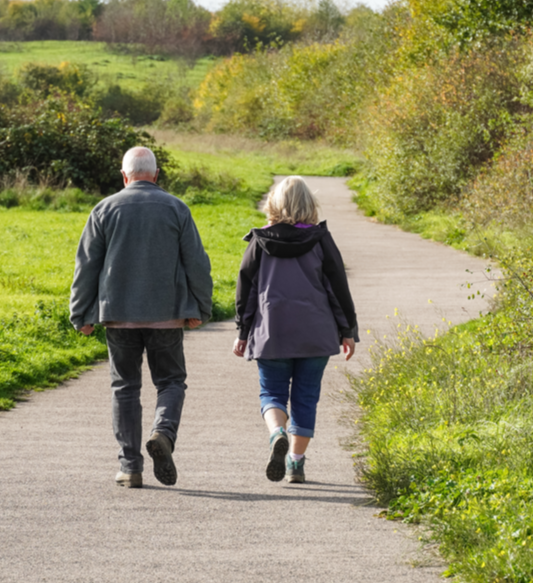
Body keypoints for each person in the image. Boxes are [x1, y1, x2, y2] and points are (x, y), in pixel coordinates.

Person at [70, 146, 213, 489]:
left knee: (124, 387)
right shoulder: (176, 208)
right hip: (167, 315)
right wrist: (200, 307)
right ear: (156, 175)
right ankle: (162, 432)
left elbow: (87, 265)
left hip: (117, 315)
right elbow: (197, 262)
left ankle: (130, 466)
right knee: (171, 382)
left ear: (124, 176)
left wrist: (81, 313)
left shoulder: (104, 209)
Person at [232, 176, 358, 483]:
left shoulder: (260, 242)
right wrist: (348, 330)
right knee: (306, 396)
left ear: (273, 204)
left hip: (271, 332)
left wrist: (243, 331)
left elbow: (246, 292)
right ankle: (296, 463)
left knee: (272, 393)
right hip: (316, 333)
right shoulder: (321, 240)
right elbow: (337, 288)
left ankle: (277, 433)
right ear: (309, 205)